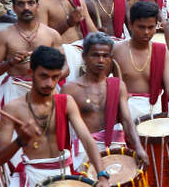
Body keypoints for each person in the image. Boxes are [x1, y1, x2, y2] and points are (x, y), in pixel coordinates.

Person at [0, 46, 113, 187]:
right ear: (30, 73)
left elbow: (87, 140)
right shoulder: (13, 108)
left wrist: (102, 175)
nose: (50, 84)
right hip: (32, 178)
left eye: (55, 77)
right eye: (43, 76)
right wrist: (20, 141)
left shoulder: (66, 102)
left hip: (64, 177)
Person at [62, 32, 148, 170]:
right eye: (95, 55)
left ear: (111, 58)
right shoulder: (70, 89)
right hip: (85, 153)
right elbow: (62, 129)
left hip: (116, 149)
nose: (101, 60)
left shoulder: (118, 86)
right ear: (84, 57)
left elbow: (127, 120)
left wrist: (139, 147)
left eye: (105, 56)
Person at [111, 0, 169, 129]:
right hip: (124, 115)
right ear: (130, 25)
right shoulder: (116, 50)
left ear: (156, 26)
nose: (146, 32)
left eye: (151, 27)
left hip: (154, 114)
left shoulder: (161, 51)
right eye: (141, 27)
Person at [0, 0, 67, 104]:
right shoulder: (3, 35)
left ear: (37, 6)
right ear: (14, 8)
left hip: (47, 89)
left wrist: (47, 79)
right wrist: (10, 62)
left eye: (31, 3)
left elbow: (65, 68)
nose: (26, 8)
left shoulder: (51, 34)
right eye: (21, 4)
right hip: (14, 88)